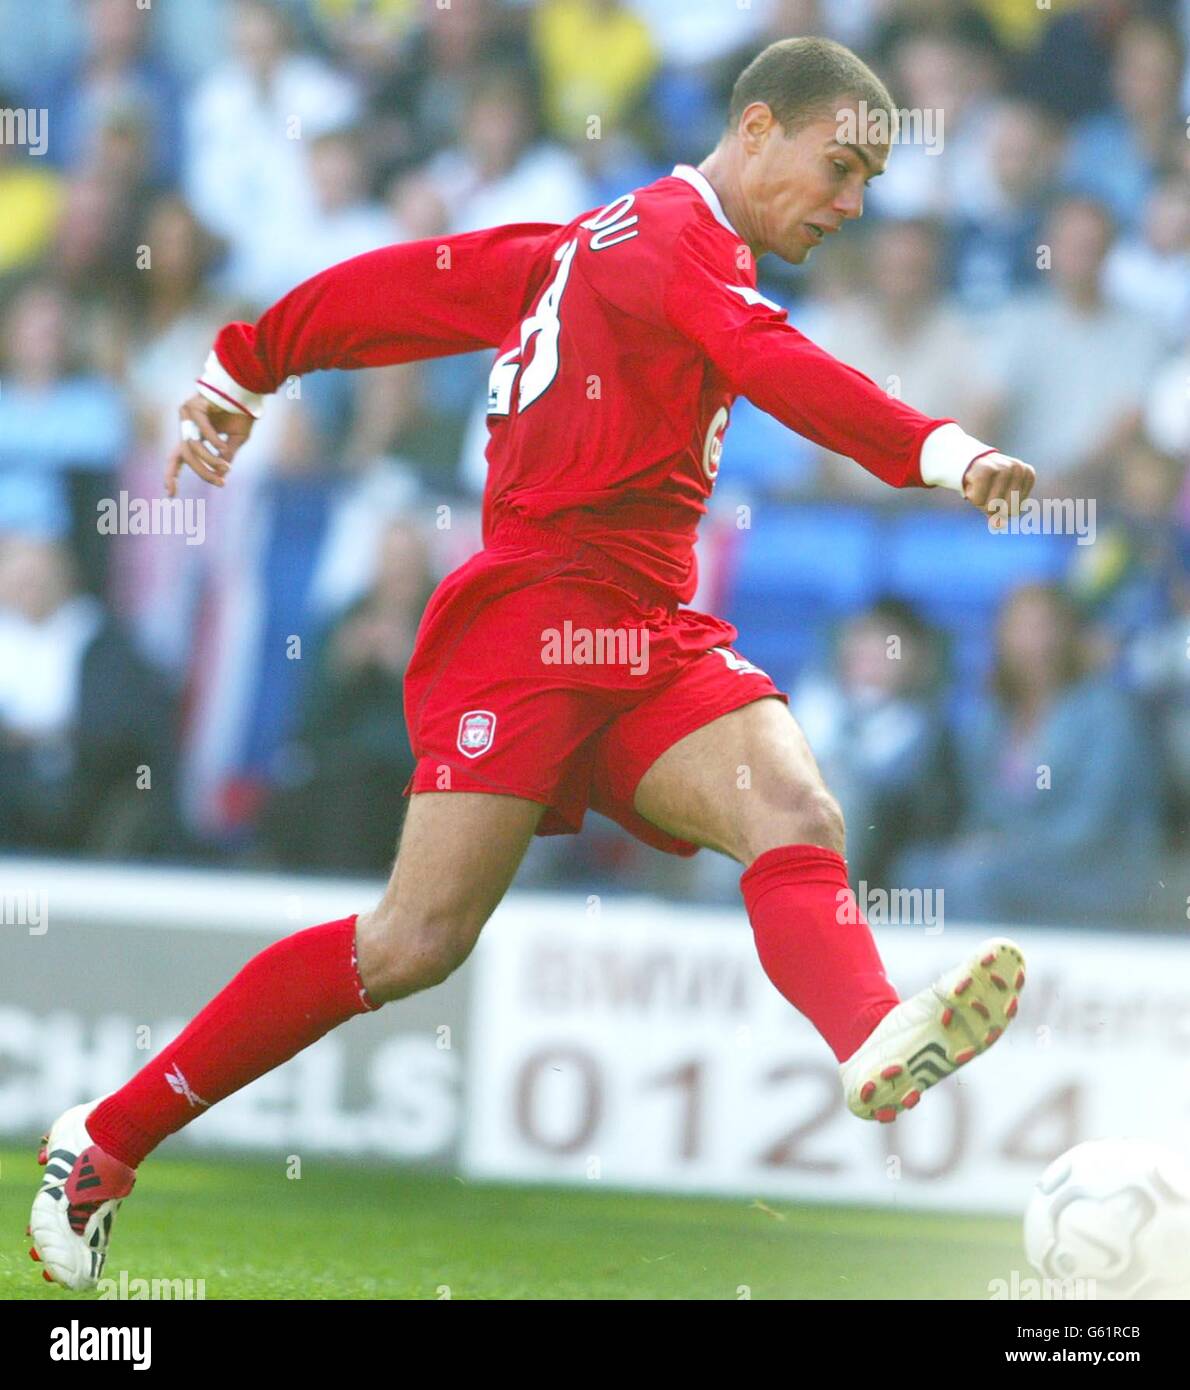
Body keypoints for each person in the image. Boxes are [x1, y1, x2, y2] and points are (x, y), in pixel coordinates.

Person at [31, 37, 1035, 1291]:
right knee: (410, 943)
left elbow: (424, 284)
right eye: (839, 169)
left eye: (868, 185)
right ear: (760, 126)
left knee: (793, 804)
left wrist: (254, 352)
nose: (848, 204)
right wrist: (936, 448)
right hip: (537, 619)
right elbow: (775, 363)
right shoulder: (673, 245)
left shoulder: (601, 239)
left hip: (647, 631)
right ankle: (104, 1140)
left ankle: (868, 1031)